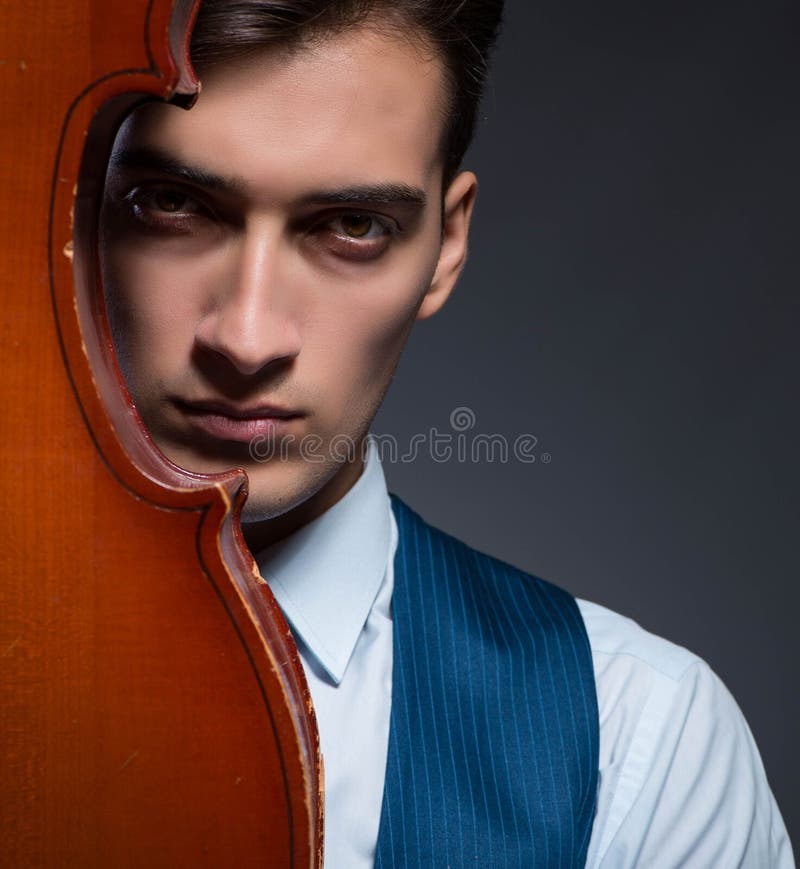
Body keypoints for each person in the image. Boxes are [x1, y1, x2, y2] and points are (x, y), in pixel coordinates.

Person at [98, 0, 794, 865]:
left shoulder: (639, 743)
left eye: (352, 225)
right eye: (171, 203)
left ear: (446, 245)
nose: (246, 338)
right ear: (71, 211)